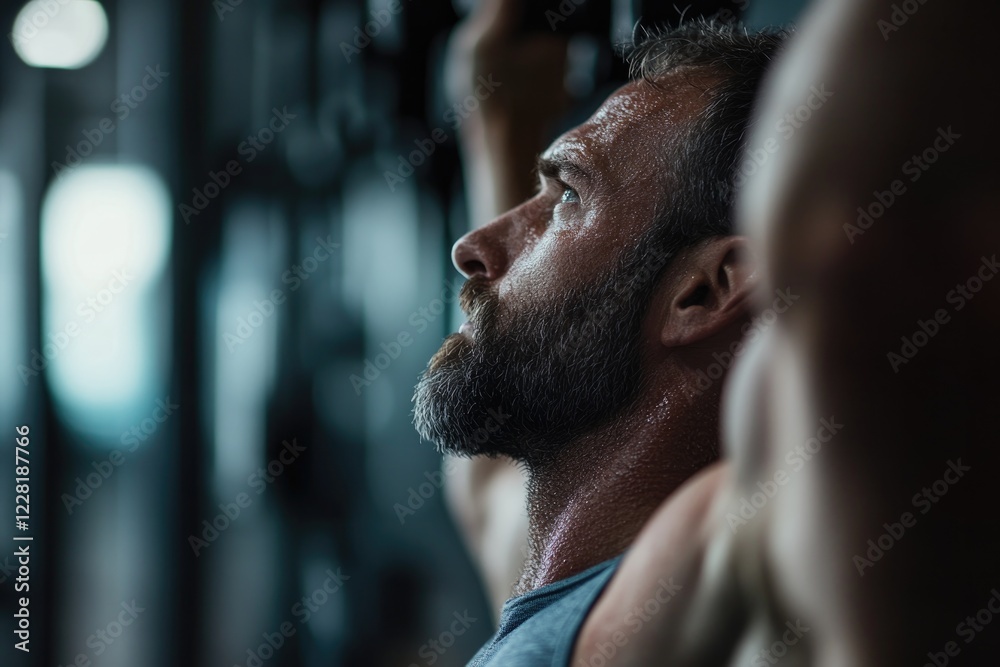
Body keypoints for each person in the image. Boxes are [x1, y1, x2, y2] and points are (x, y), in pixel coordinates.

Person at [412, 4, 789, 661]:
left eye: (567, 196)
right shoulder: (560, 590)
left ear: (705, 290)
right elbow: (485, 493)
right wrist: (498, 125)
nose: (470, 247)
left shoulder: (689, 581)